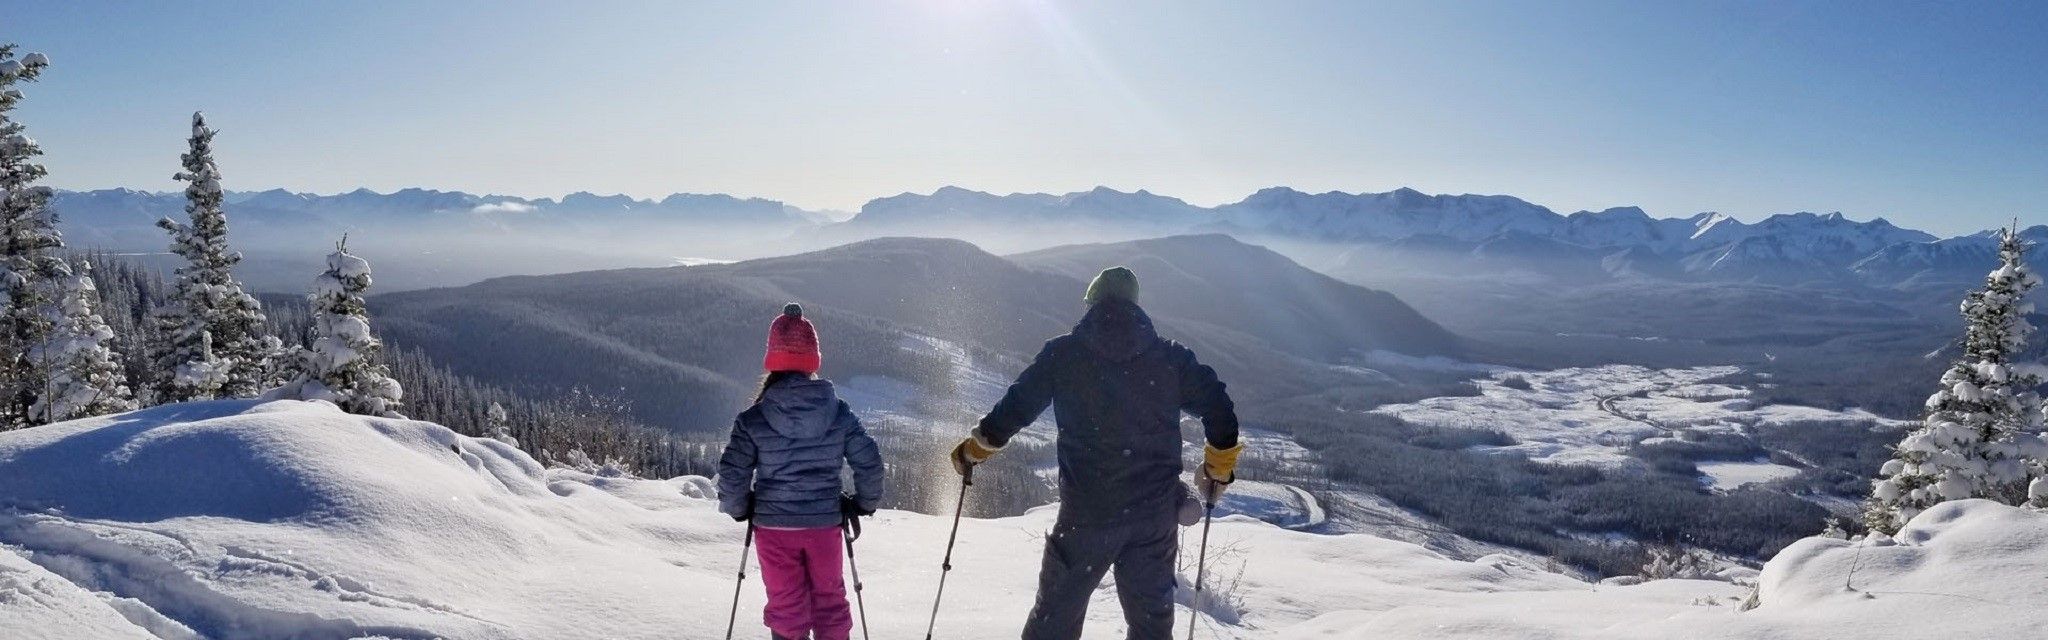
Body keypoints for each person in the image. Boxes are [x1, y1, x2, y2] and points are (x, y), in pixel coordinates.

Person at [950, 266, 1241, 640]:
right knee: (1151, 627)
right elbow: (1220, 408)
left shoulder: (1064, 355)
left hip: (1086, 515)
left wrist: (976, 449)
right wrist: (1217, 468)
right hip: (1154, 516)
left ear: (1091, 305)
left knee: (1053, 622)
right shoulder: (1171, 359)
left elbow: (1016, 408)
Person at [719, 303, 884, 640]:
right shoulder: (838, 413)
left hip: (773, 527)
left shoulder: (753, 419)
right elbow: (868, 460)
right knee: (830, 606)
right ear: (813, 360)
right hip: (824, 524)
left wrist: (740, 508)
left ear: (772, 360)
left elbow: (733, 472)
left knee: (787, 611)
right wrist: (864, 503)